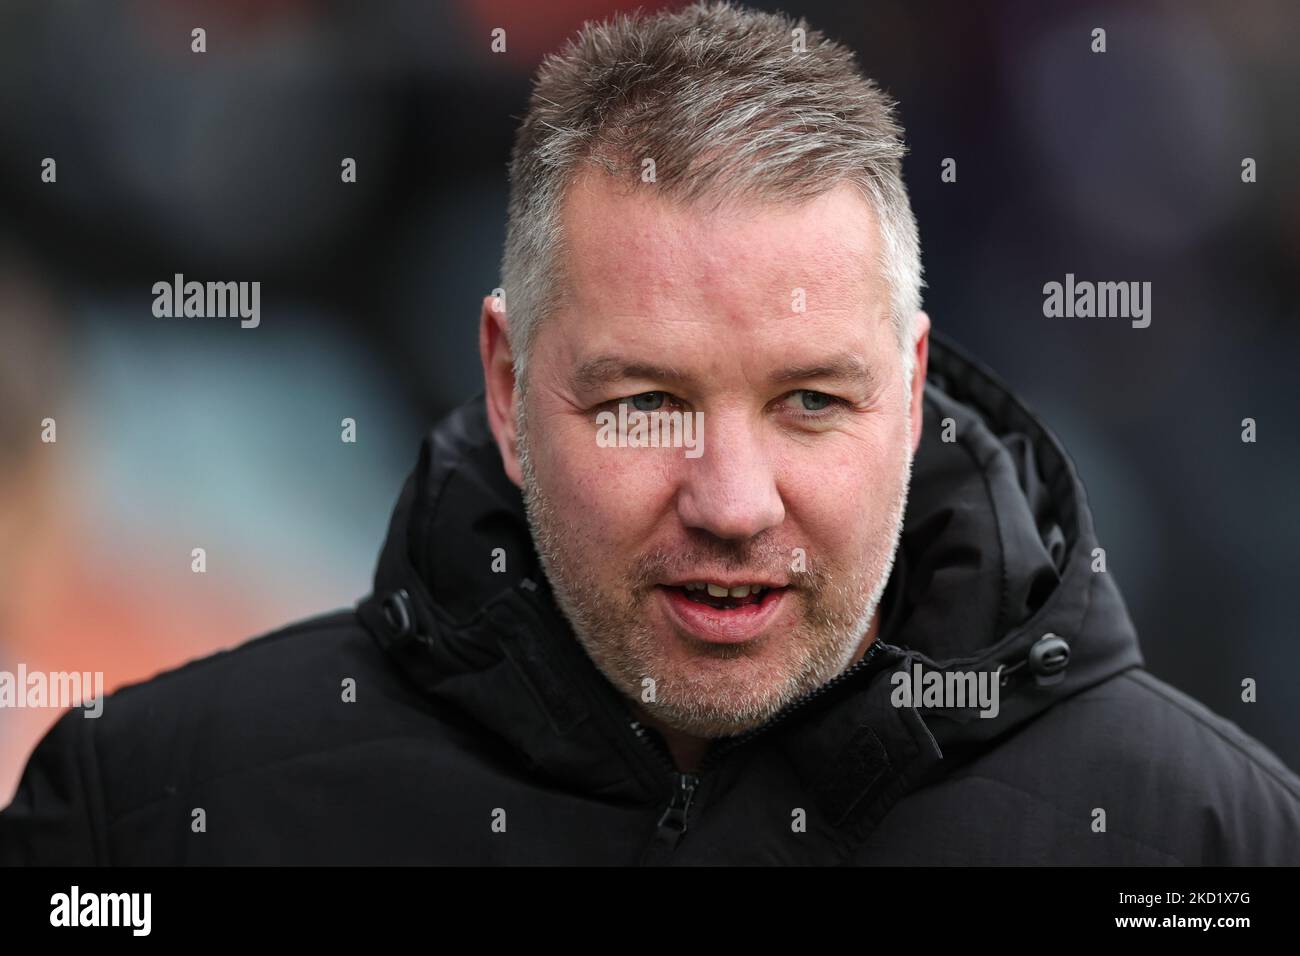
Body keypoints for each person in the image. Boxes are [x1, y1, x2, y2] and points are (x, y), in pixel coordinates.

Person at [3, 1, 1298, 865]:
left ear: (915, 390)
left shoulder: (1199, 835)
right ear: (506, 386)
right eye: (644, 402)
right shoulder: (159, 802)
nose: (732, 499)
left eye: (810, 401)